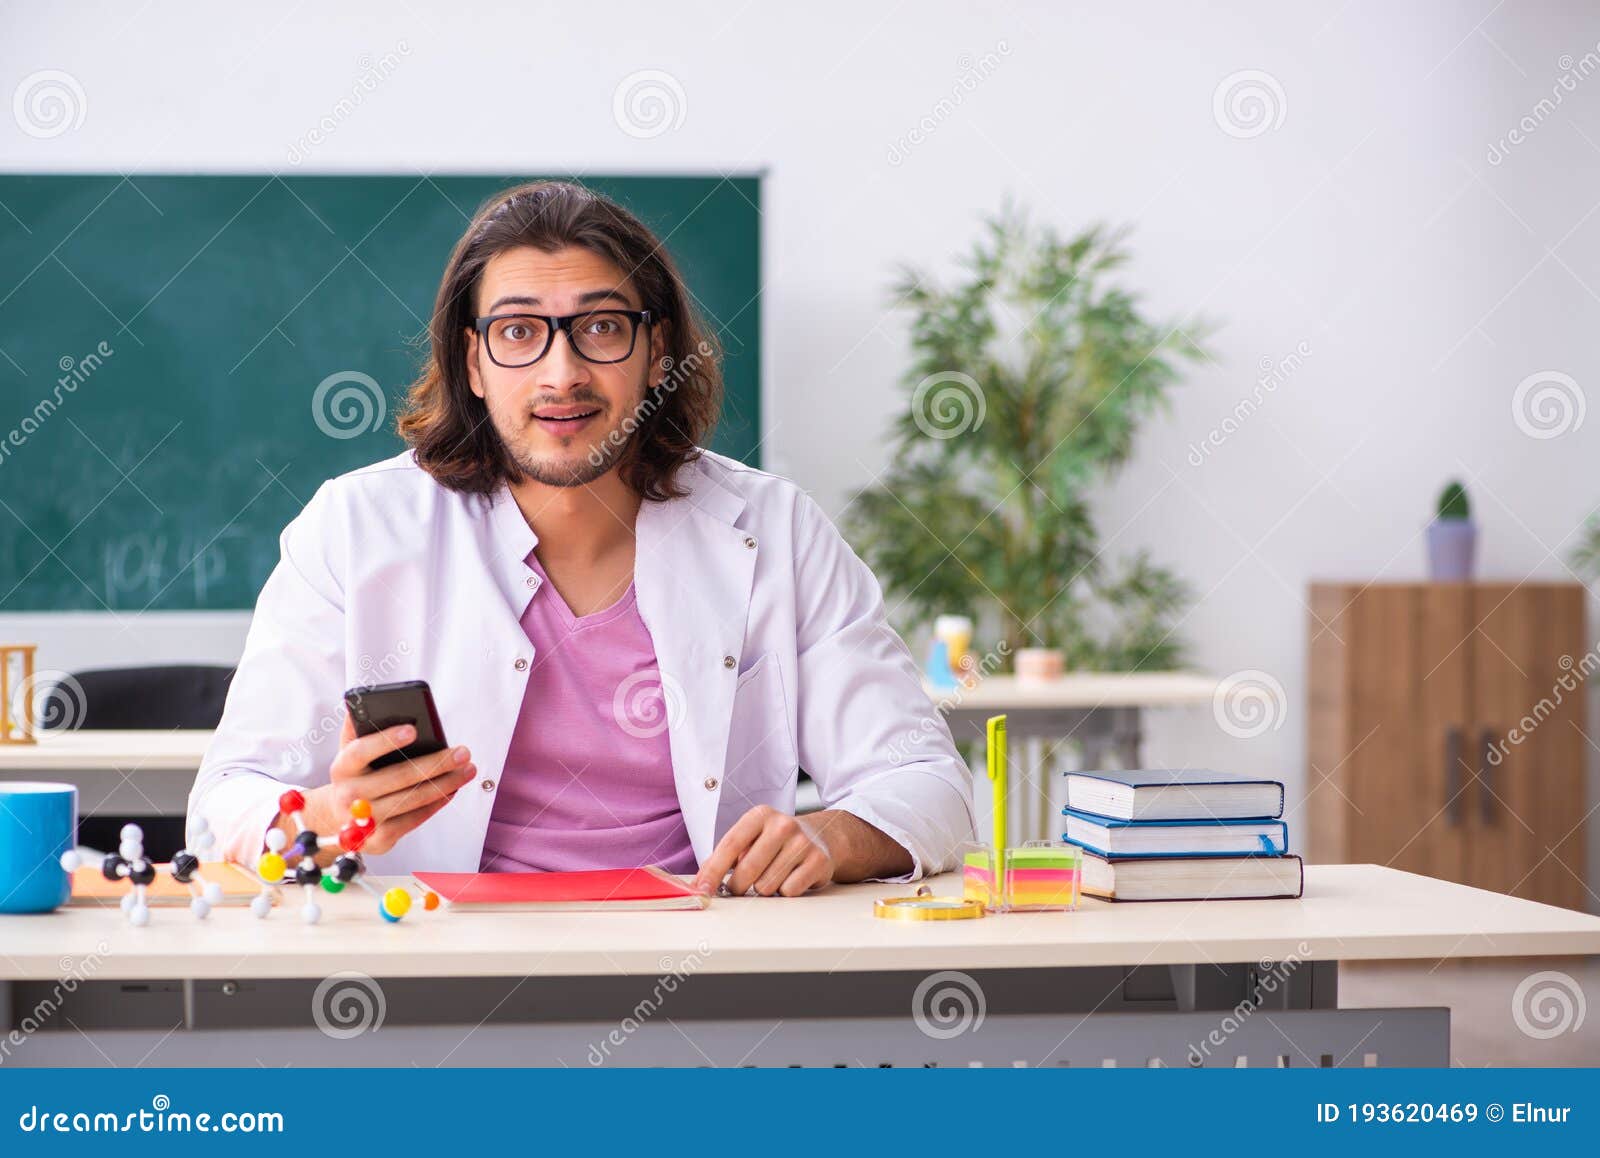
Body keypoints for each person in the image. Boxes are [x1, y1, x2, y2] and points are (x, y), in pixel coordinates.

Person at [189, 180, 974, 897]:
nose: (561, 373)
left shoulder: (776, 530)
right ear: (473, 361)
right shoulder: (357, 528)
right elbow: (224, 801)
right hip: (433, 965)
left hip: (704, 961)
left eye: (601, 327)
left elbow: (929, 783)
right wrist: (328, 813)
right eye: (520, 332)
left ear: (655, 350)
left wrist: (827, 836)